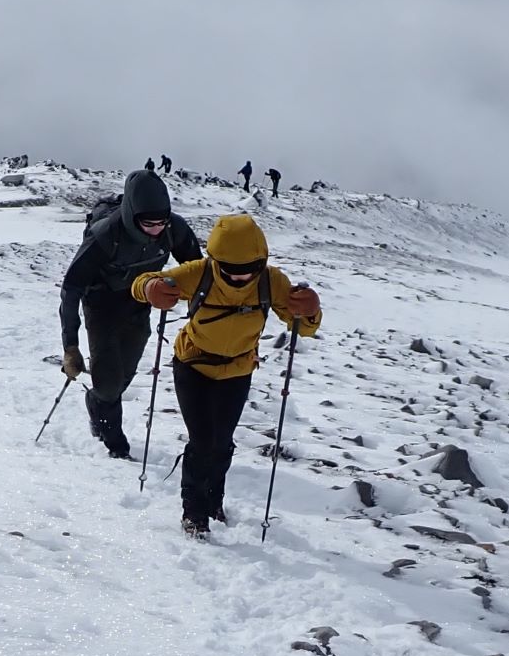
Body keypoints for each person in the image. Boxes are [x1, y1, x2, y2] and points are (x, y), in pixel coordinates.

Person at [131, 213, 322, 538]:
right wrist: (149, 287)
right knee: (203, 441)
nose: (241, 278)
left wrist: (311, 310)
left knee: (222, 444)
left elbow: (301, 326)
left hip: (238, 369)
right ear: (216, 260)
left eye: (249, 270)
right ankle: (194, 513)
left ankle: (213, 500)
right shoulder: (198, 274)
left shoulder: (271, 282)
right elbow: (144, 282)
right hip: (192, 365)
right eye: (231, 271)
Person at [58, 169, 201, 457]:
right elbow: (71, 288)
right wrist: (70, 347)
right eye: (149, 224)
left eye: (162, 222)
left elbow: (198, 271)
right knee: (109, 382)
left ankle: (96, 402)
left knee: (125, 374)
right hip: (101, 304)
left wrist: (190, 302)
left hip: (139, 304)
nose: (157, 229)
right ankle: (116, 445)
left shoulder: (174, 228)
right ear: (131, 215)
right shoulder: (105, 235)